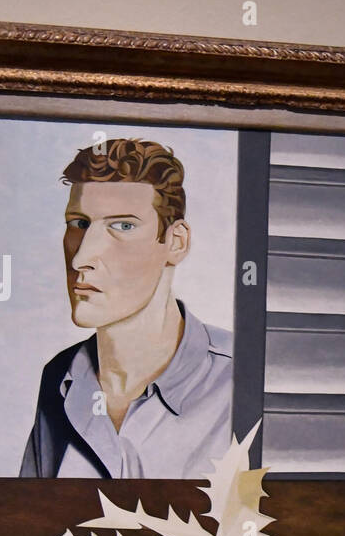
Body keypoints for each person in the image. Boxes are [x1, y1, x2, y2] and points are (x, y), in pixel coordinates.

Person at [19, 138, 233, 479]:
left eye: (123, 226)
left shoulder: (241, 380)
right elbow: (33, 527)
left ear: (176, 242)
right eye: (79, 224)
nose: (81, 257)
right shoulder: (61, 378)